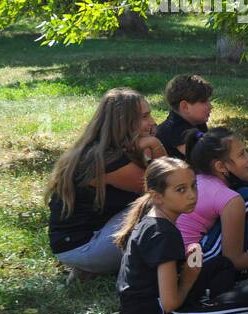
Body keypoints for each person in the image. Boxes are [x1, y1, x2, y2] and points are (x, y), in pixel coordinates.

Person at [113, 157, 248, 314]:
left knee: (222, 264)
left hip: (156, 303)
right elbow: (169, 303)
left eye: (194, 186)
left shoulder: (157, 219)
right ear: (157, 196)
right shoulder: (162, 233)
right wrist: (189, 275)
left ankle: (212, 304)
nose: (192, 195)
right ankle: (211, 308)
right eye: (181, 190)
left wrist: (188, 264)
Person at [46, 88, 164, 277]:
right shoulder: (106, 159)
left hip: (83, 243)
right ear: (122, 122)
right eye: (144, 117)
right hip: (85, 247)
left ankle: (92, 269)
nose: (152, 122)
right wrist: (155, 144)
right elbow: (166, 186)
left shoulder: (108, 150)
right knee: (160, 202)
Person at [176, 127, 248, 272]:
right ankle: (246, 272)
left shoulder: (200, 179)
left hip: (178, 261)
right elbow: (233, 259)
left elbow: (226, 243)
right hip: (192, 266)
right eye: (241, 154)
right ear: (220, 166)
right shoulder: (227, 198)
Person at [154, 74, 214, 158]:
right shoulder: (176, 129)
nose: (210, 106)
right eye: (204, 101)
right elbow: (205, 159)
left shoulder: (197, 121)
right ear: (185, 107)